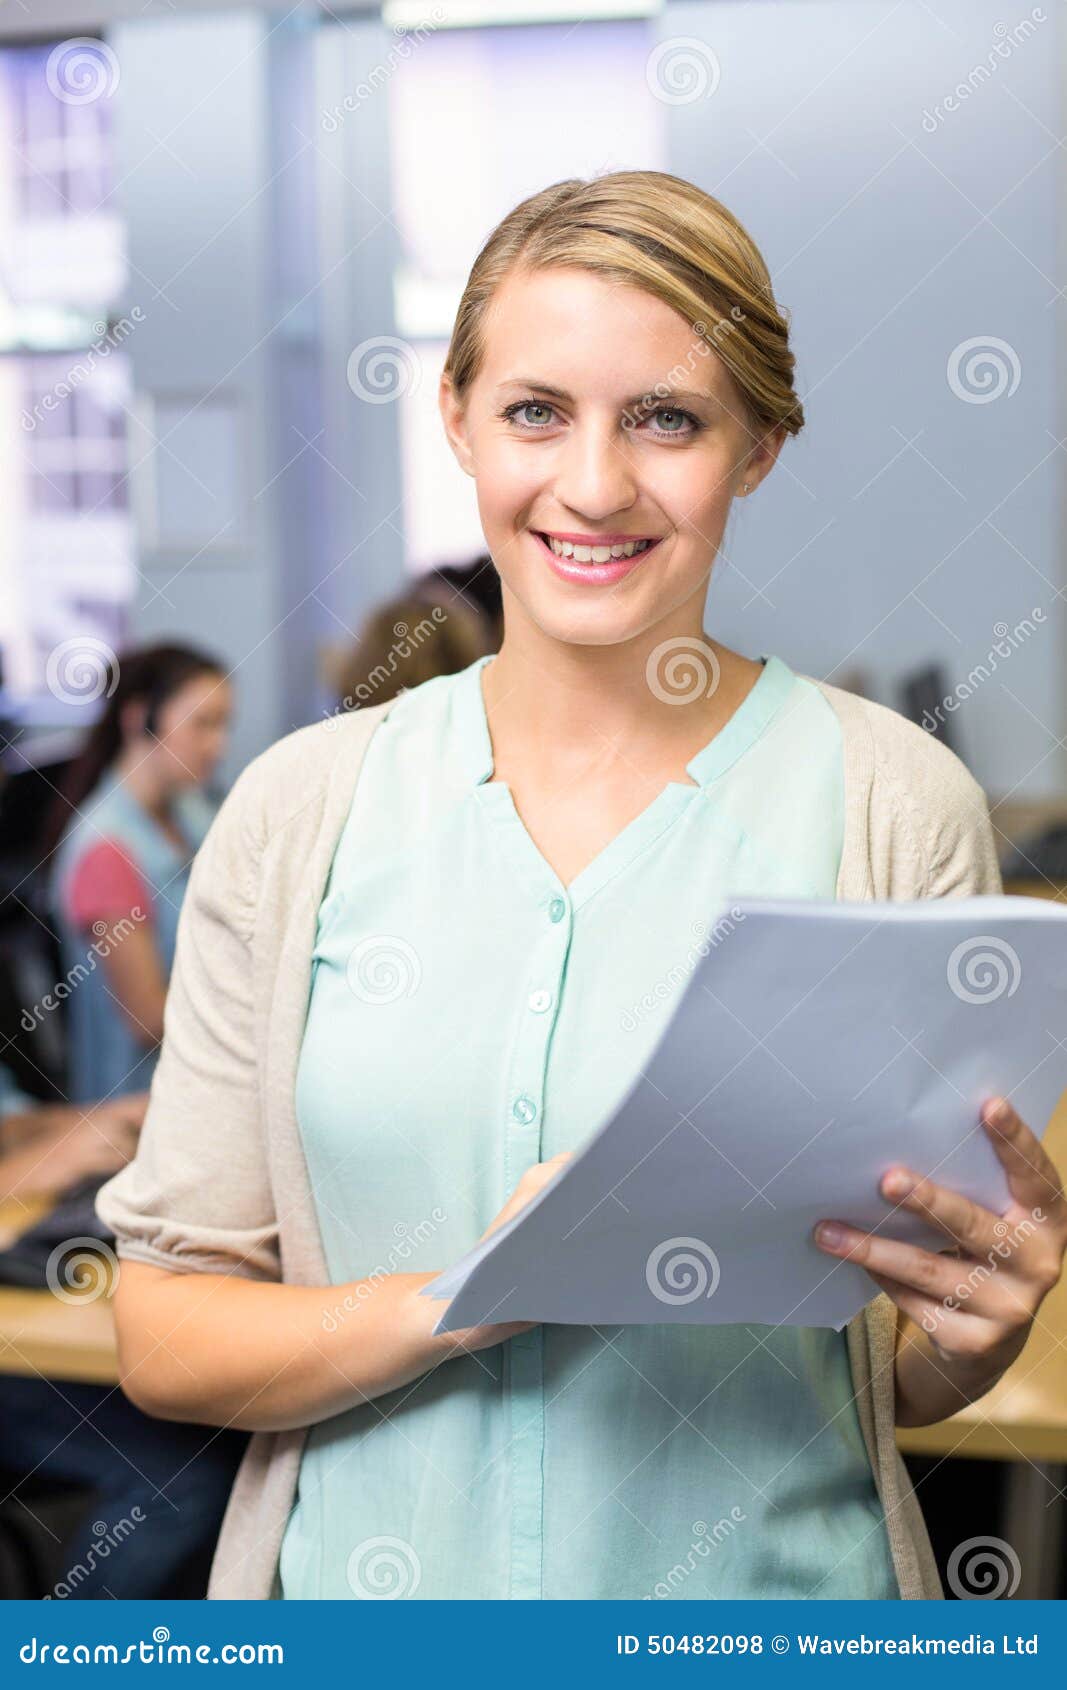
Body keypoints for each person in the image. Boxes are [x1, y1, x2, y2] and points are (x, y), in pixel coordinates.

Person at [95, 170, 1067, 1601]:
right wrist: (469, 1292)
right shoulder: (304, 808)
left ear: (758, 448)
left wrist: (967, 1334)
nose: (594, 484)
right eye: (534, 410)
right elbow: (164, 1333)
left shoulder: (886, 803)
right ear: (456, 417)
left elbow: (886, 1368)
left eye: (665, 417)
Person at [41, 644, 232, 1102]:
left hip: (201, 1088)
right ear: (139, 717)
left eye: (225, 724)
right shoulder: (107, 851)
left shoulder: (191, 809)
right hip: (136, 1113)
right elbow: (148, 1019)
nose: (218, 745)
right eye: (202, 724)